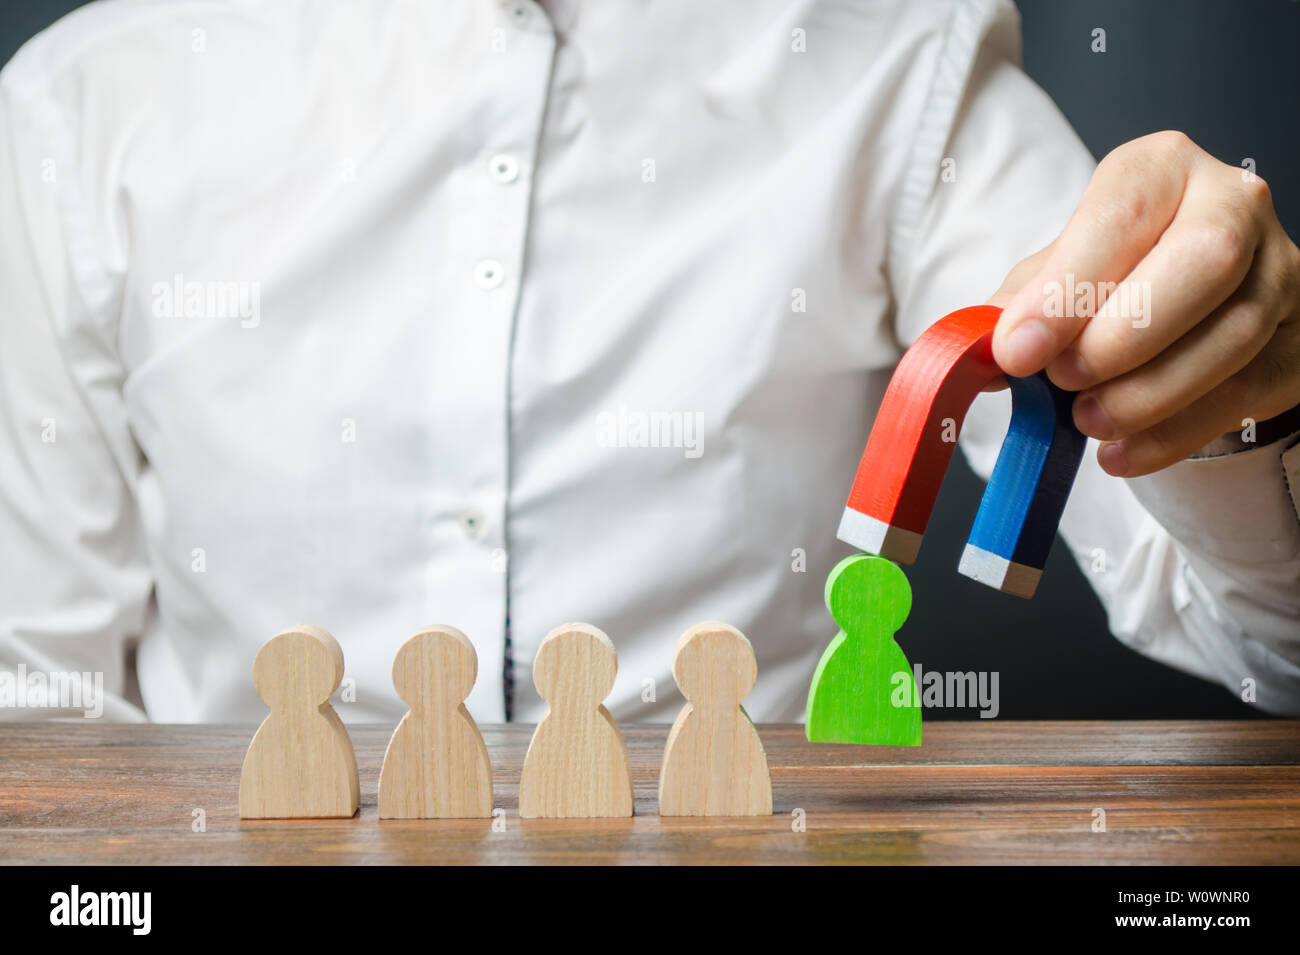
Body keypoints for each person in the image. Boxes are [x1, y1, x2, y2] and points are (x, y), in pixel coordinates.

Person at [1, 0, 1296, 724]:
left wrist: (1247, 399)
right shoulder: (82, 106)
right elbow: (34, 716)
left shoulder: (899, 60)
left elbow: (1268, 653)